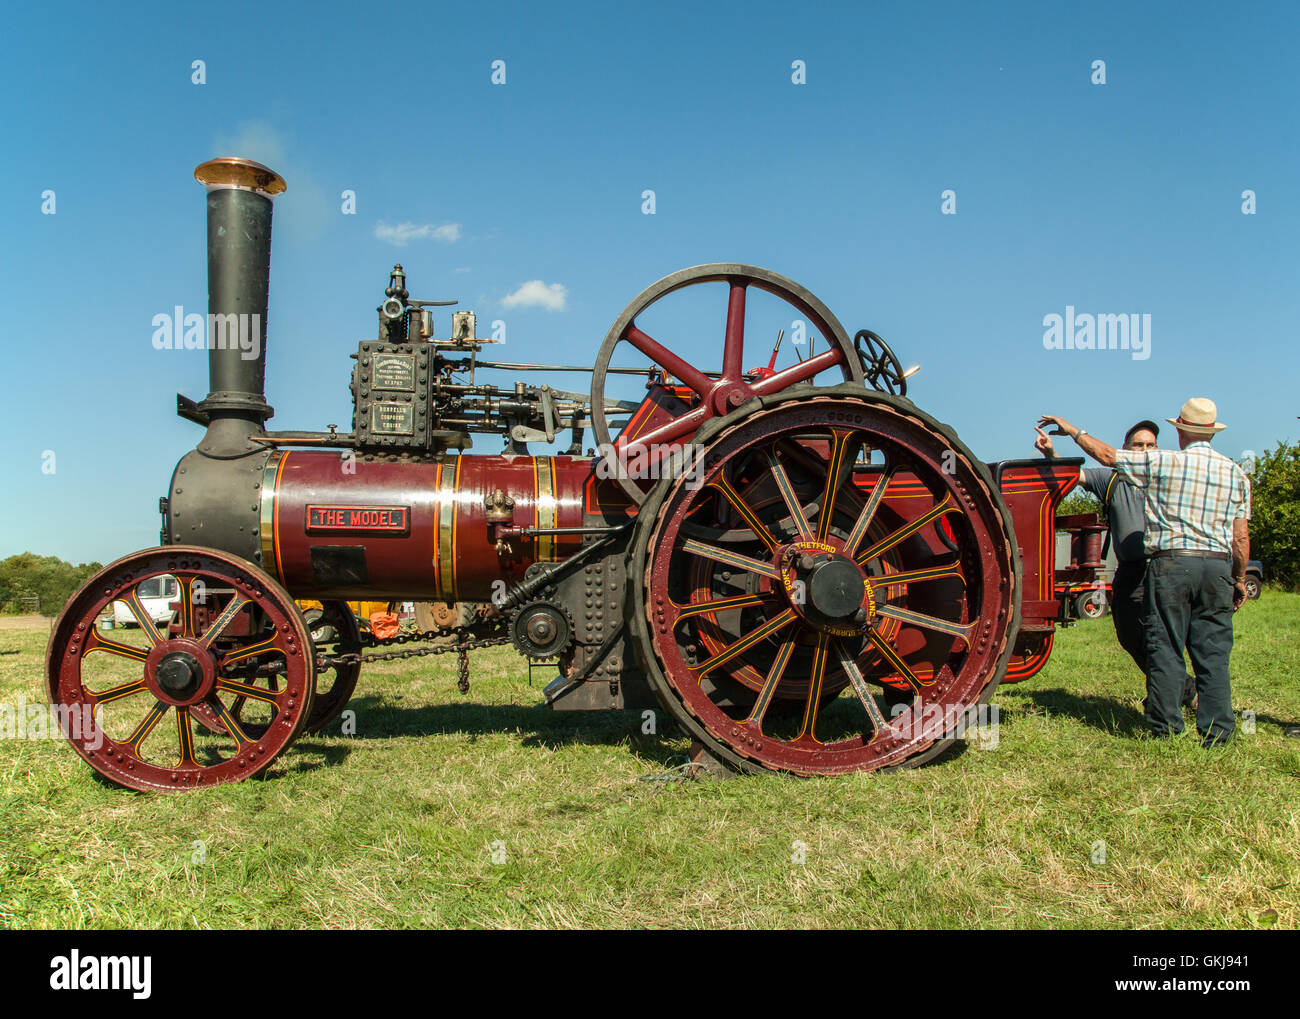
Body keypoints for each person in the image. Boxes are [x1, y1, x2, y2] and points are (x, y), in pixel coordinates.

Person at [1037, 399, 1251, 746]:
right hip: (1216, 564)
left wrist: (1074, 430)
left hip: (1172, 563)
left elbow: (1107, 457)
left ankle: (1165, 728)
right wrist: (1239, 578)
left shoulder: (1166, 462)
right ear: (1212, 432)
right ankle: (1218, 733)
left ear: (1180, 430)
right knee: (1213, 652)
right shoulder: (1235, 473)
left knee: (1164, 645)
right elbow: (1240, 536)